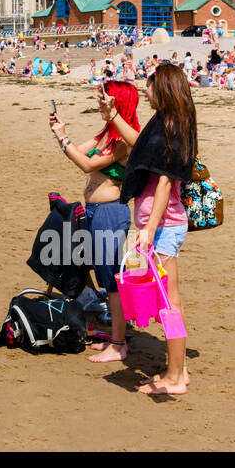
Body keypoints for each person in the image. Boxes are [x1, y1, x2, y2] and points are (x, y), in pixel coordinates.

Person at [109, 62, 197, 396]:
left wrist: (149, 228)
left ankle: (175, 378)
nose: (145, 92)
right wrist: (113, 116)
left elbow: (164, 181)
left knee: (169, 304)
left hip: (164, 226)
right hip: (159, 225)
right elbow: (141, 149)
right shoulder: (165, 122)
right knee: (167, 302)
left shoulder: (173, 125)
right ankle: (179, 369)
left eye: (148, 85)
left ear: (162, 87)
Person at [51, 79, 139, 363]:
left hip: (110, 212)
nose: (98, 103)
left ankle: (118, 343)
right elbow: (78, 151)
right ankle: (113, 334)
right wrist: (60, 134)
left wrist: (64, 141)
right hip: (94, 213)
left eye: (104, 98)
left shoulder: (125, 140)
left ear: (118, 102)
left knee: (112, 280)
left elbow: (87, 164)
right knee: (98, 273)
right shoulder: (106, 132)